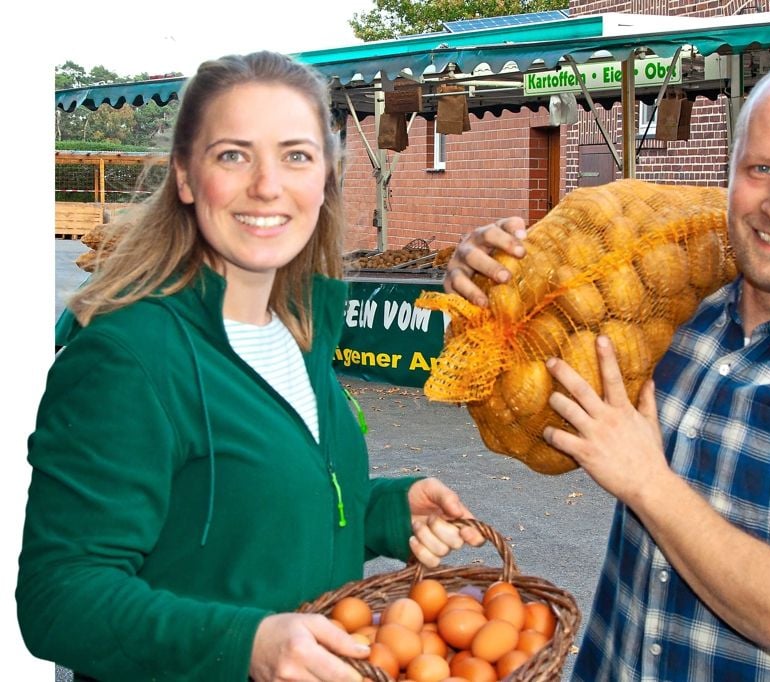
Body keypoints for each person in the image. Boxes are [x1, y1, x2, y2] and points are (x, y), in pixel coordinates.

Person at [443, 53, 770, 680]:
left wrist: (649, 482)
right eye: (761, 169)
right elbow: (533, 404)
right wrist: (484, 289)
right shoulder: (675, 315)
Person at [19, 51, 484, 682]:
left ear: (324, 179)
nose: (268, 185)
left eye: (296, 155)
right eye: (233, 154)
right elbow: (58, 599)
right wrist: (249, 645)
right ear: (186, 177)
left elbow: (248, 510)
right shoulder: (127, 357)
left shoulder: (298, 329)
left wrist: (385, 513)